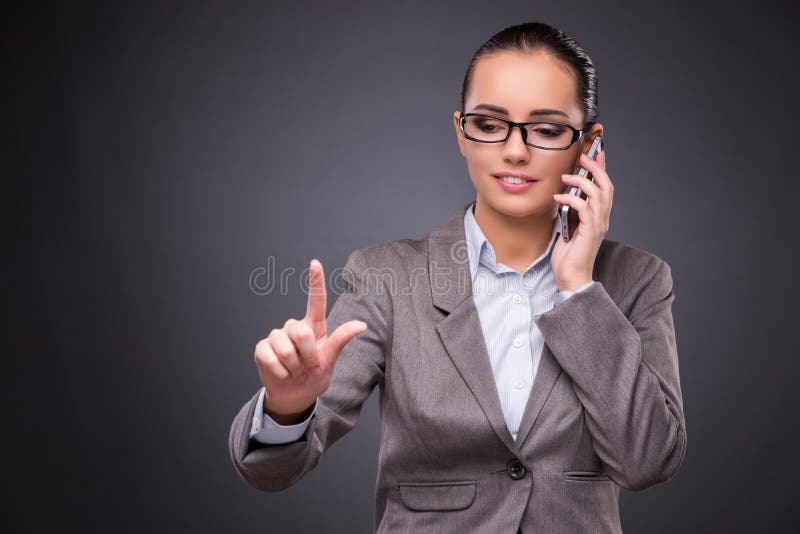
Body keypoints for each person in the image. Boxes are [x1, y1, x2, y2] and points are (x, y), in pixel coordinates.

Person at [229, 21, 687, 534]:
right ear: (460, 133)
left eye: (547, 129)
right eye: (489, 124)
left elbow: (649, 461)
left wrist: (578, 287)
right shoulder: (386, 278)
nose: (515, 151)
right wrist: (287, 409)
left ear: (590, 146)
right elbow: (268, 471)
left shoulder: (639, 280)